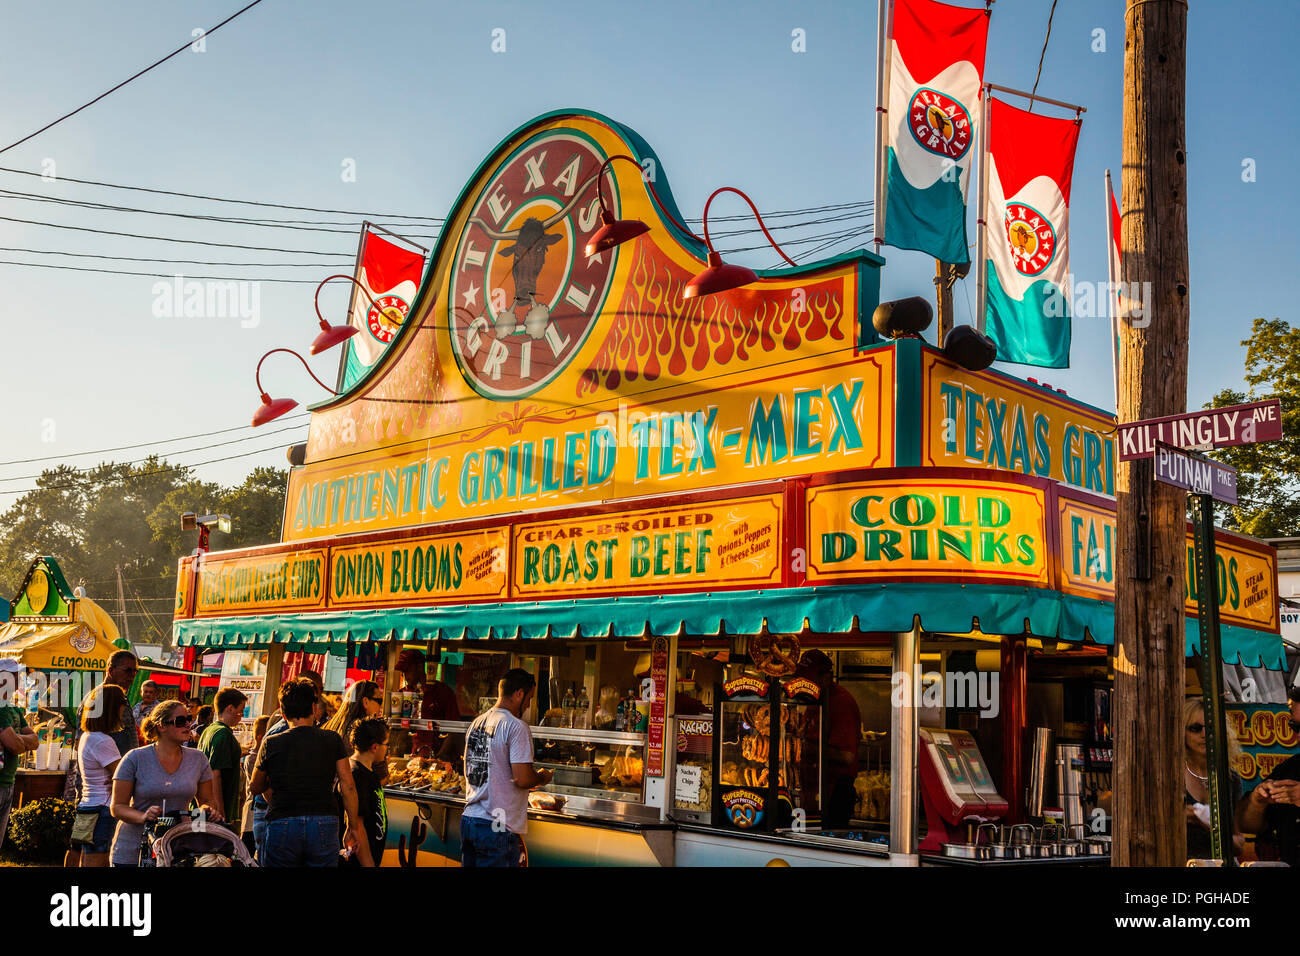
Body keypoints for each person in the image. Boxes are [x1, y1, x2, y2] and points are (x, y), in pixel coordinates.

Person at [251, 677, 363, 867]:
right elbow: (348, 786)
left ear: (283, 712)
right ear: (313, 708)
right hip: (324, 820)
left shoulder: (272, 743)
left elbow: (255, 786)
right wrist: (352, 827)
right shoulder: (332, 740)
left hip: (282, 820)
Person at [110, 700, 221, 867]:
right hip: (134, 849)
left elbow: (206, 801)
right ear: (161, 726)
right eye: (181, 721)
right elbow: (117, 807)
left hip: (178, 849)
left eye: (189, 719)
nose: (188, 725)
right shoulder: (135, 758)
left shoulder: (198, 759)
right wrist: (143, 816)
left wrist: (206, 812)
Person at [460, 668, 552, 867]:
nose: (528, 705)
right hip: (496, 823)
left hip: (469, 819)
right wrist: (542, 777)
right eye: (529, 698)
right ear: (519, 694)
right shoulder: (516, 726)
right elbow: (523, 778)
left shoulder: (477, 722)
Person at [250, 669, 323, 863]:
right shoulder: (283, 730)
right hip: (273, 815)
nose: (319, 699)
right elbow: (259, 781)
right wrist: (282, 807)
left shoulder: (301, 730)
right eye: (317, 693)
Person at [1236, 685, 1300, 865]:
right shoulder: (1289, 770)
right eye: (1295, 726)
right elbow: (1248, 825)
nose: (1299, 735)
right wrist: (1258, 802)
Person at [66, 683, 127, 867]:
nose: (125, 707)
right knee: (98, 859)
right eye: (123, 701)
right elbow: (123, 776)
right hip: (103, 808)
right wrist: (124, 775)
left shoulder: (88, 735)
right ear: (112, 707)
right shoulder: (103, 740)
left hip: (88, 804)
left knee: (80, 852)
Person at [65, 651, 139, 806]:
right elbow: (82, 745)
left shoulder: (119, 697)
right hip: (102, 792)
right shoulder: (96, 700)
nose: (132, 676)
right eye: (127, 670)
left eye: (135, 671)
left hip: (121, 782)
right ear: (111, 670)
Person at [798, 649, 861, 829]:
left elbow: (846, 756)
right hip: (813, 792)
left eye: (808, 680)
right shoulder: (813, 702)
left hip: (834, 795)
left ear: (826, 677)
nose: (803, 684)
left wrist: (806, 748)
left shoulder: (841, 703)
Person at [1183, 696, 1245, 862]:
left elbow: (1239, 845)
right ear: (1181, 732)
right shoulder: (1170, 777)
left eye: (1211, 726)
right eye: (1195, 728)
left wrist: (1206, 824)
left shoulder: (1230, 778)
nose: (1205, 734)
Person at [0, 658, 39, 851]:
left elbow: (35, 740)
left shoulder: (13, 708)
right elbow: (15, 747)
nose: (18, 681)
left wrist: (15, 738)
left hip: (8, 781)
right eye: (14, 676)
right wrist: (20, 741)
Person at [344, 717, 389, 868]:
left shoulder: (368, 771)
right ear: (375, 747)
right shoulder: (357, 775)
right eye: (386, 744)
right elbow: (358, 827)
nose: (387, 749)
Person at [199, 688, 247, 824]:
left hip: (204, 809)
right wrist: (220, 809)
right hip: (215, 812)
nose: (241, 715)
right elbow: (215, 773)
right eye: (241, 710)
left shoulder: (209, 730)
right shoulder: (223, 733)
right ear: (230, 708)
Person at [323, 680, 383, 757]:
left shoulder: (331, 725)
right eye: (379, 701)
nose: (380, 706)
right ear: (366, 702)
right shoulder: (361, 730)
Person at [240, 714, 270, 857]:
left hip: (255, 814)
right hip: (252, 813)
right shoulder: (253, 758)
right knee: (246, 853)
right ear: (260, 737)